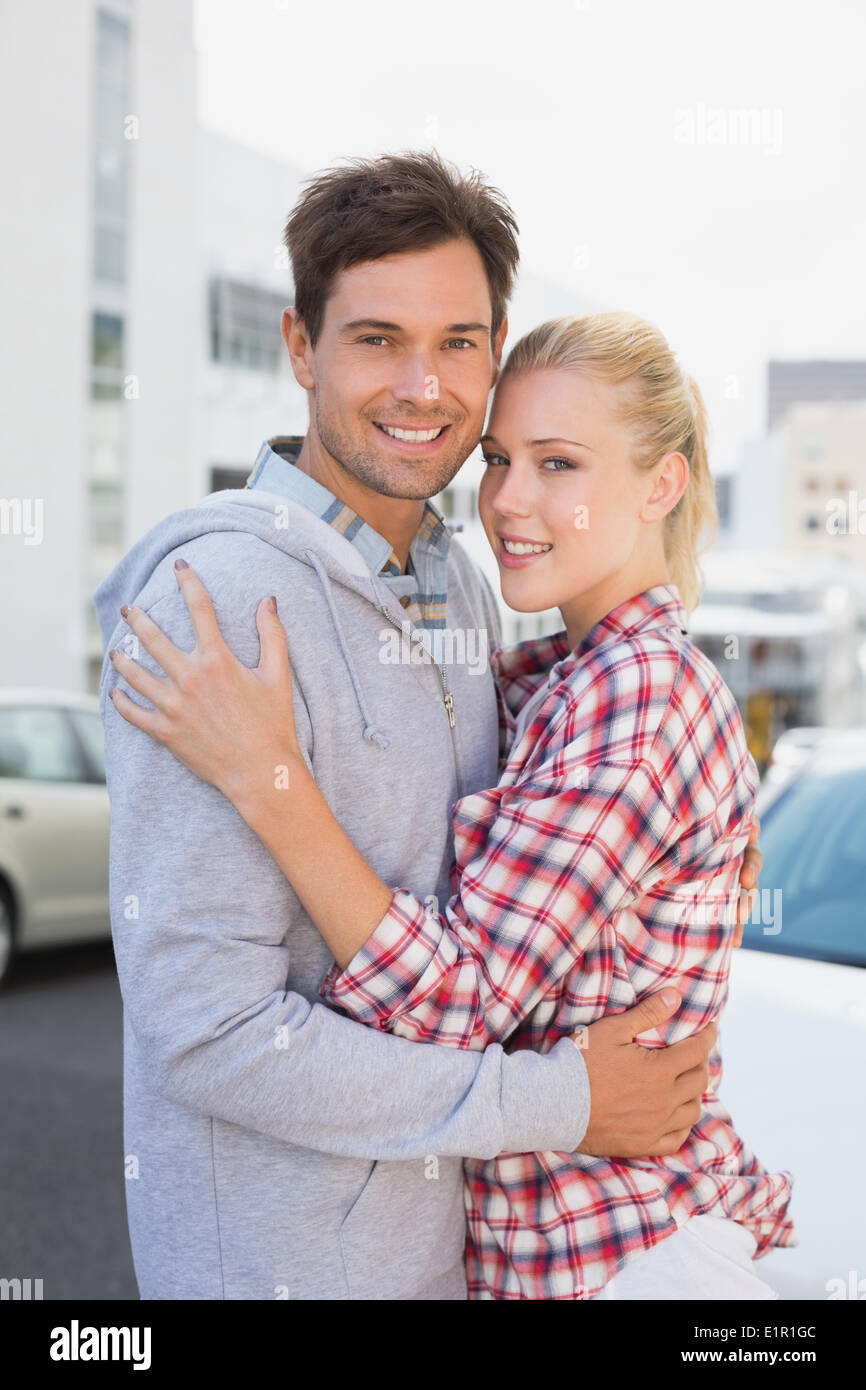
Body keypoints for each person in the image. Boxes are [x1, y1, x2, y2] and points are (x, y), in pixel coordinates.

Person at [95, 152, 761, 1301]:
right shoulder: (218, 609)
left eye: (458, 342)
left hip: (459, 1262)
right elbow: (207, 1034)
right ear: (299, 347)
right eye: (374, 339)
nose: (424, 385)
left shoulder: (458, 584)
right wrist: (559, 1101)